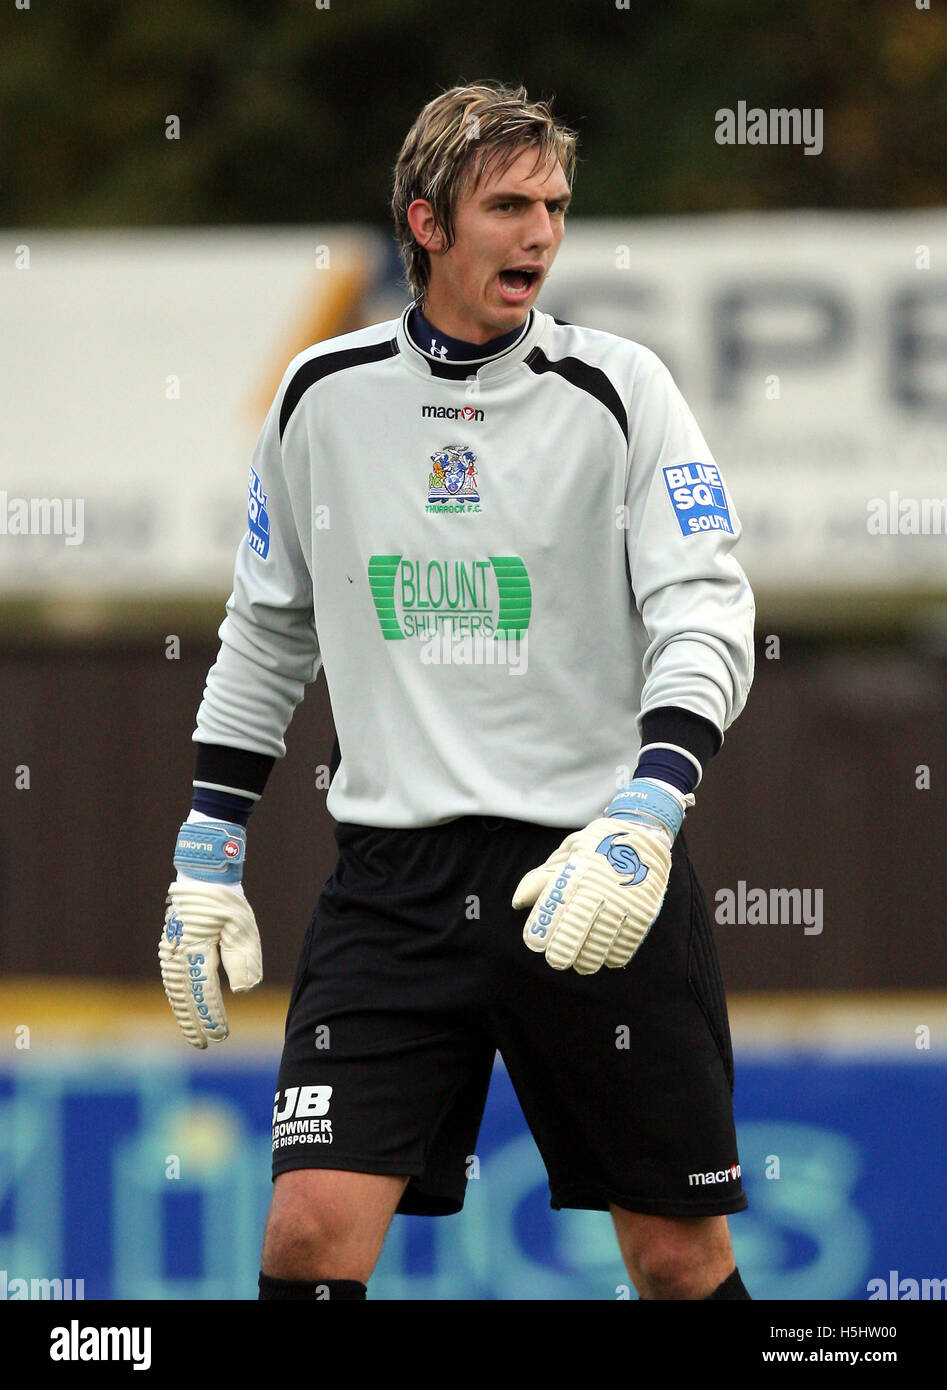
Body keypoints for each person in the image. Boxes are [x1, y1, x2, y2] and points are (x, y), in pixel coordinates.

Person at [159, 80, 756, 1302]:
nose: (539, 233)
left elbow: (707, 609)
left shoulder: (623, 390)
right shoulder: (319, 395)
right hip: (393, 891)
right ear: (426, 222)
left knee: (675, 1257)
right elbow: (269, 629)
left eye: (553, 205)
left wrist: (648, 813)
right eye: (506, 205)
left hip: (596, 872)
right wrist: (204, 851)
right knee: (309, 1234)